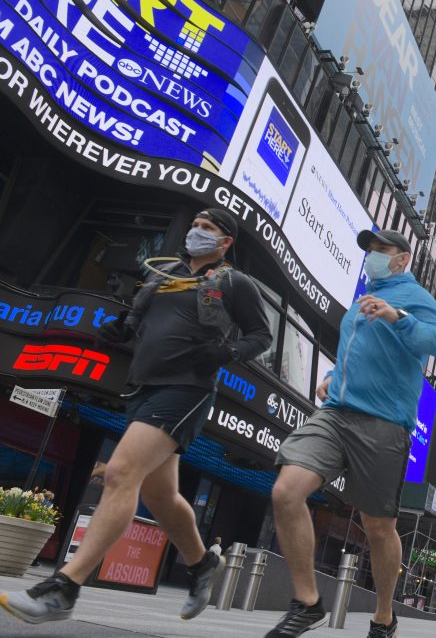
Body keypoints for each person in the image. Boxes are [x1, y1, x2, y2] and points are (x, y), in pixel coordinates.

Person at [0, 209, 271, 625]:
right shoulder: (162, 277)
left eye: (208, 228)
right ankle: (201, 565)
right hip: (142, 387)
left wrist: (228, 352)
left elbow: (261, 336)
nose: (197, 231)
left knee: (120, 473)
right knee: (162, 495)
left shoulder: (233, 282)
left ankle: (63, 589)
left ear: (225, 241)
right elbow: (134, 321)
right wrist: (120, 329)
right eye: (195, 224)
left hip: (187, 389)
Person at [264, 229, 436, 638]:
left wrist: (397, 316)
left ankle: (384, 615)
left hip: (384, 424)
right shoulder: (359, 301)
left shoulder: (413, 296)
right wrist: (333, 375)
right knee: (286, 490)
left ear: (401, 259)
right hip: (336, 415)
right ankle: (308, 602)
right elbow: (360, 352)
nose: (372, 256)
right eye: (370, 251)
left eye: (380, 251)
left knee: (378, 528)